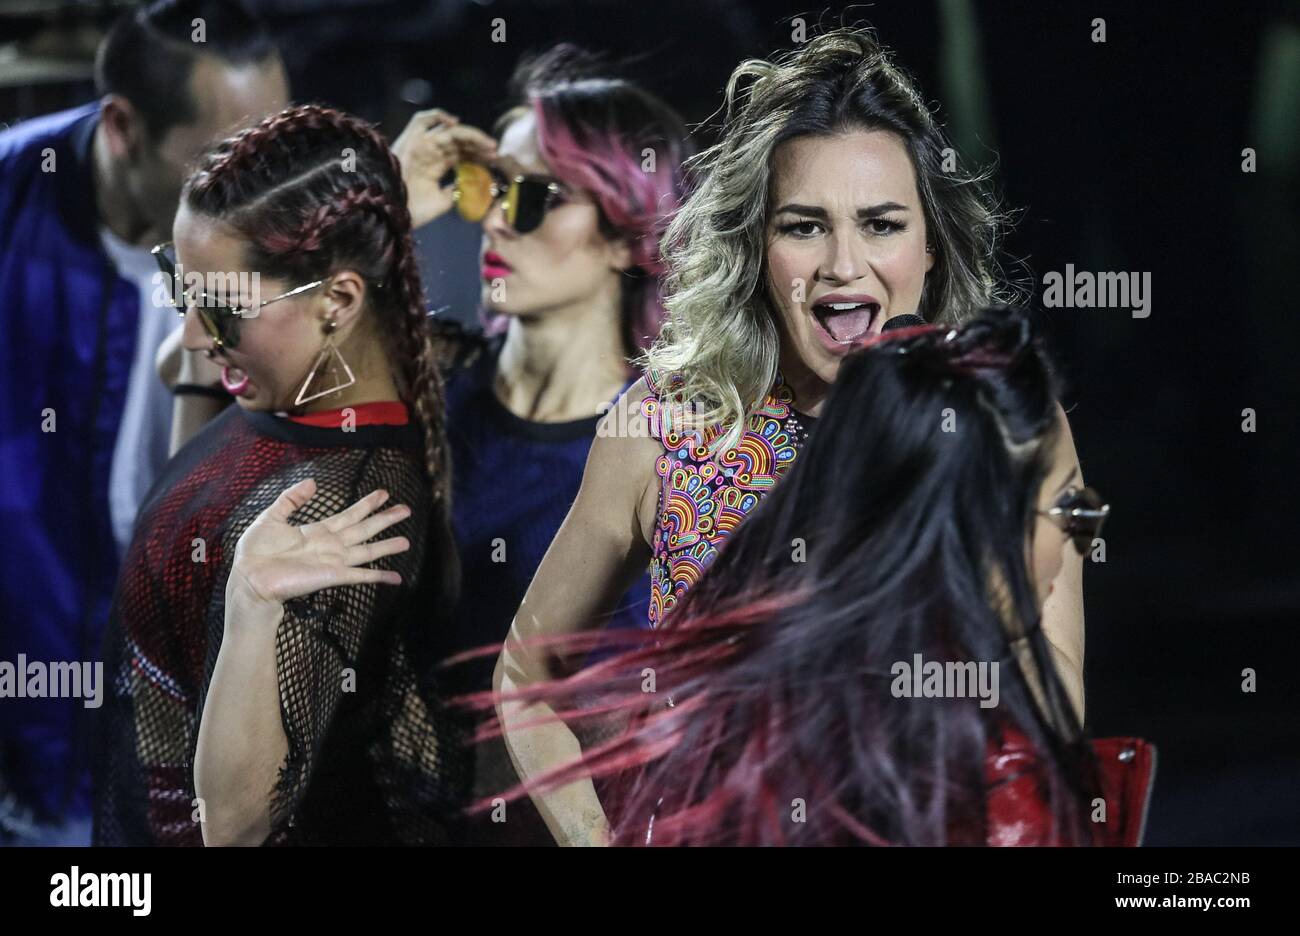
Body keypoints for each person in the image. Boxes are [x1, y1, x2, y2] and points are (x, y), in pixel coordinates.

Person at [492, 27, 1090, 846]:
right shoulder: (664, 426)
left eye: (881, 224)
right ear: (755, 245)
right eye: (804, 226)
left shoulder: (1005, 423)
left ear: (931, 244)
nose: (843, 264)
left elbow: (1053, 705)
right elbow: (526, 672)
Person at [470, 308, 1154, 846]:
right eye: (1069, 511)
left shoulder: (786, 704)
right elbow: (528, 676)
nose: (1077, 540)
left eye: (881, 224)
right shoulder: (971, 780)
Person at [93, 104, 466, 846]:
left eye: (220, 310)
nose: (191, 333)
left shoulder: (341, 511)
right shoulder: (282, 392)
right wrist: (372, 200)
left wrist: (253, 601)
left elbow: (233, 829)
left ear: (339, 300)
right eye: (178, 284)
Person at [386, 45, 691, 844]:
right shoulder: (426, 384)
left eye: (536, 197)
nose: (493, 217)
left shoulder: (668, 441)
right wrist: (384, 206)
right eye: (493, 186)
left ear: (627, 234)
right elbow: (224, 368)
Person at [0, 0, 287, 845]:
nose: (261, 189)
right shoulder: (11, 205)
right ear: (124, 126)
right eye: (225, 158)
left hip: (166, 712)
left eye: (274, 147)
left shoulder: (284, 247)